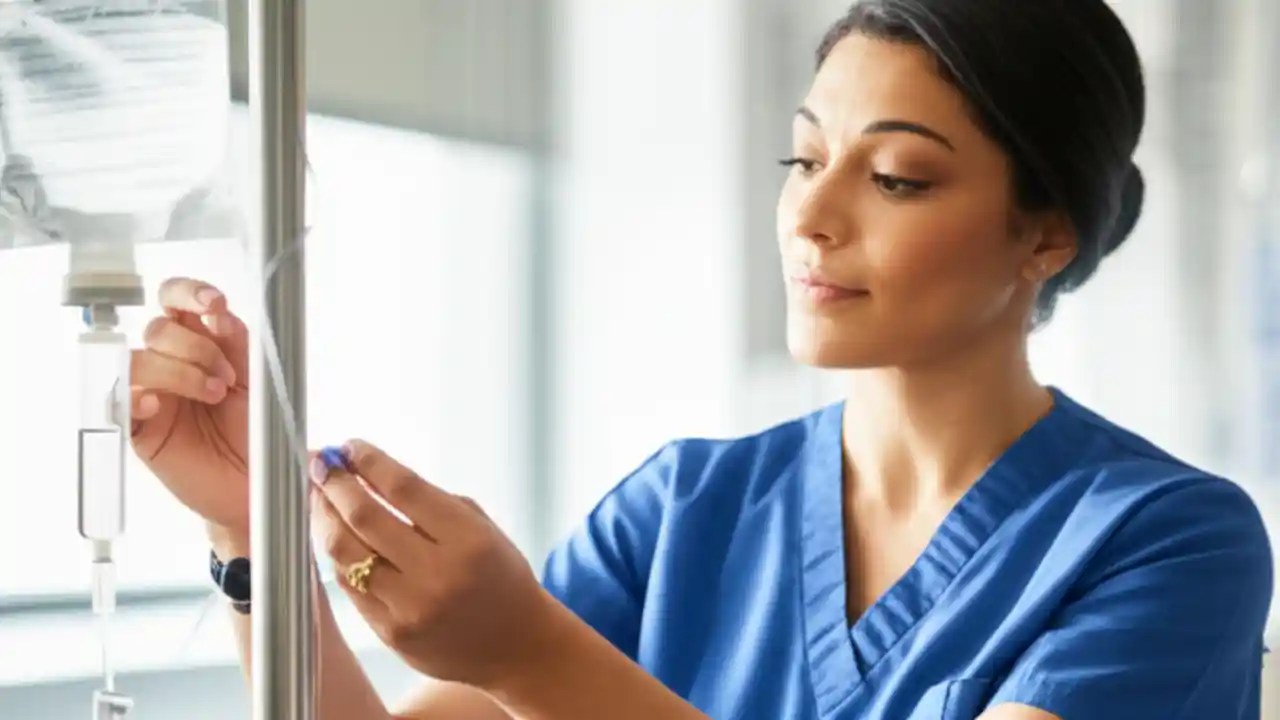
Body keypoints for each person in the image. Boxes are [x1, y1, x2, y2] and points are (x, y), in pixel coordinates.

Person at [128, 0, 1273, 718]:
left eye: (894, 178)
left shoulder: (1168, 541)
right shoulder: (685, 507)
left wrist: (530, 656)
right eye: (801, 159)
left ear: (1045, 234)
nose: (809, 216)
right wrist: (249, 533)